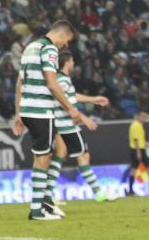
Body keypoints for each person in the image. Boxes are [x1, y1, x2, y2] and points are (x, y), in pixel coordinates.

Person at [12, 22, 90, 221]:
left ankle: (44, 204)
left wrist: (18, 112)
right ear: (62, 34)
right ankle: (37, 209)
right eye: (67, 41)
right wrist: (70, 108)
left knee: (41, 156)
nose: (65, 46)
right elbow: (52, 82)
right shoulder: (49, 49)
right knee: (44, 158)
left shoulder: (30, 47)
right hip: (41, 110)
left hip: (28, 109)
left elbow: (19, 83)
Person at [43, 54, 109, 216]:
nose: (73, 63)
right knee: (83, 156)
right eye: (72, 60)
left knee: (60, 155)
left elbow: (71, 97)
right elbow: (66, 103)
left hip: (59, 123)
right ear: (67, 63)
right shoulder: (62, 80)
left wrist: (93, 99)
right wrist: (84, 118)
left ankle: (48, 195)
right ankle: (98, 192)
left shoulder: (61, 79)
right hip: (67, 125)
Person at [122, 111, 149, 197]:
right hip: (138, 150)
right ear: (138, 117)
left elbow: (141, 140)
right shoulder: (136, 126)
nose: (144, 119)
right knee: (147, 169)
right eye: (143, 117)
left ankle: (131, 191)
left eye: (145, 117)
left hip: (137, 150)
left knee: (134, 170)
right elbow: (136, 140)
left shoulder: (137, 125)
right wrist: (138, 152)